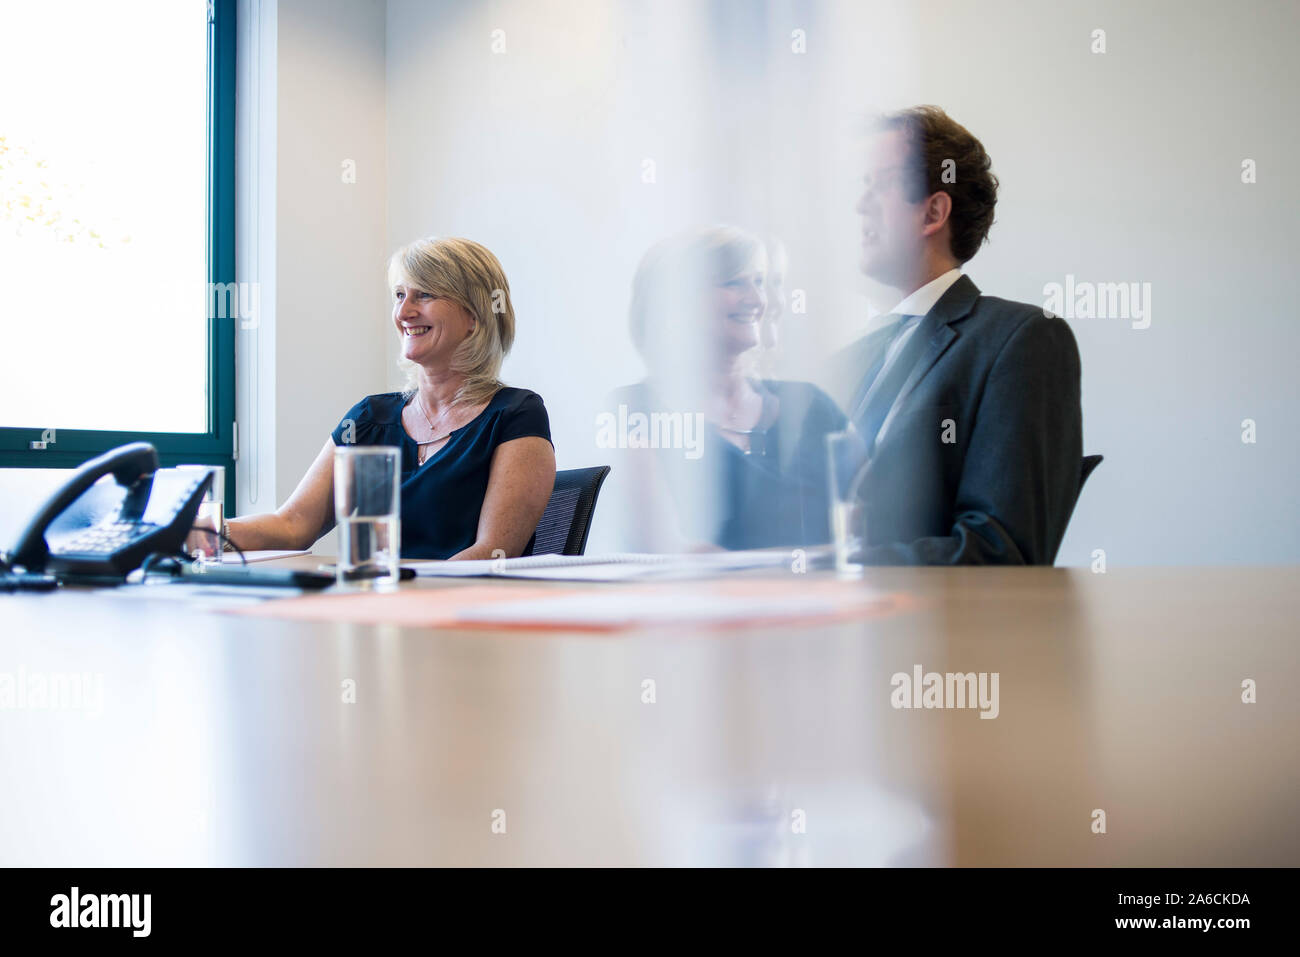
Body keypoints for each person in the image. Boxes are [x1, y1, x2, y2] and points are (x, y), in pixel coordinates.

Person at [830, 105, 1083, 564]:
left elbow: (1003, 552)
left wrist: (839, 568)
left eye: (878, 184)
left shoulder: (1022, 340)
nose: (857, 205)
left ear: (933, 211)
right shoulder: (842, 359)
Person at [226, 237, 556, 560]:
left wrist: (408, 597)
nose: (404, 311)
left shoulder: (516, 415)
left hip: (459, 608)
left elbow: (491, 553)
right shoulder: (369, 418)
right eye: (400, 295)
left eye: (424, 294)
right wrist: (207, 529)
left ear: (474, 316)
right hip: (380, 602)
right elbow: (293, 525)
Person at [606, 225, 845, 552]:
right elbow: (664, 550)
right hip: (714, 602)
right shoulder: (633, 410)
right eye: (734, 282)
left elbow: (874, 519)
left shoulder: (811, 405)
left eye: (759, 282)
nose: (758, 299)